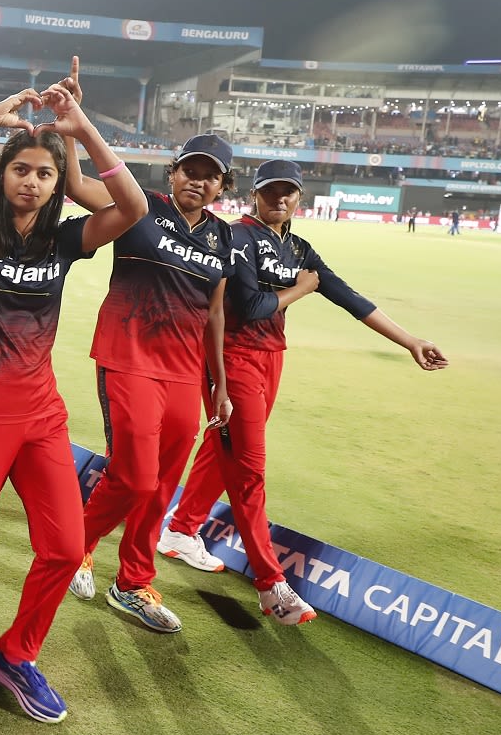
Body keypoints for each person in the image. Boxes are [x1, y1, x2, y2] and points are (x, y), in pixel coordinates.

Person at [0, 78, 148, 721]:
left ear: (55, 182)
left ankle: (15, 656)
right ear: (2, 176)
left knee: (66, 547)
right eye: (20, 170)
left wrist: (81, 130)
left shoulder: (65, 241)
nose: (33, 182)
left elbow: (131, 209)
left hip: (43, 417)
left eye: (45, 173)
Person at [157, 160, 449, 622]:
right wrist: (302, 288)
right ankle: (271, 583)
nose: (279, 199)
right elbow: (250, 307)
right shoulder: (237, 237)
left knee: (222, 449)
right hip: (232, 360)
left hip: (271, 359)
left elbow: (348, 296)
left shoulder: (296, 246)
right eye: (270, 192)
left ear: (299, 197)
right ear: (254, 194)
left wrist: (410, 340)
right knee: (249, 470)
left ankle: (180, 530)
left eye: (287, 192)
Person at [69, 127, 236, 634]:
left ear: (222, 188)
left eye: (211, 177)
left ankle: (133, 583)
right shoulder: (142, 206)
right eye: (191, 171)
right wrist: (75, 130)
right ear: (174, 172)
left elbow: (214, 315)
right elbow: (78, 187)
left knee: (162, 486)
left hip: (185, 374)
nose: (199, 182)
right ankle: (74, 547)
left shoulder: (222, 236)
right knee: (135, 476)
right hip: (128, 356)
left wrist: (219, 384)